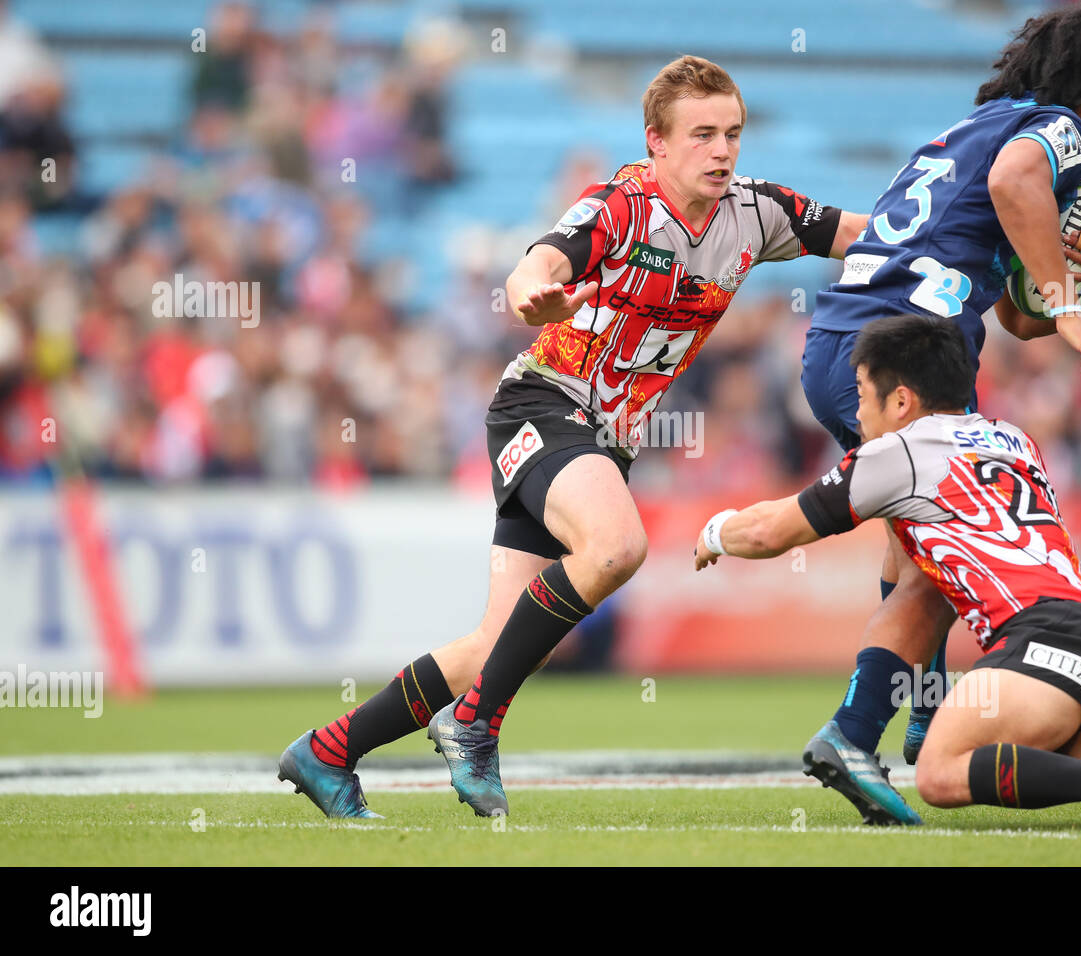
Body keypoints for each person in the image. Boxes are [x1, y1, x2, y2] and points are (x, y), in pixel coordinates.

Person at [279, 54, 869, 818]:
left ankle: (327, 752)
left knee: (496, 643)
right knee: (616, 546)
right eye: (701, 135)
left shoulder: (759, 213)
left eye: (732, 134)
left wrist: (977, 238)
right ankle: (474, 725)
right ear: (656, 142)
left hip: (600, 440)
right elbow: (540, 261)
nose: (722, 151)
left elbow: (870, 236)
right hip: (542, 405)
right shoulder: (620, 206)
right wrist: (533, 294)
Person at [695, 314, 1081, 834]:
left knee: (937, 770)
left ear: (901, 400)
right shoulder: (1014, 438)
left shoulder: (899, 452)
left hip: (1040, 646)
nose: (855, 408)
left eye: (861, 391)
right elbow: (926, 561)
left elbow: (773, 530)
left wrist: (715, 531)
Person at [795, 0, 1081, 823]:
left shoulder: (979, 126)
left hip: (857, 347)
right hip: (893, 363)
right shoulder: (1051, 131)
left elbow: (1012, 314)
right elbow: (1015, 184)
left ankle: (919, 715)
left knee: (927, 549)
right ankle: (858, 732)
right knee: (948, 551)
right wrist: (1069, 307)